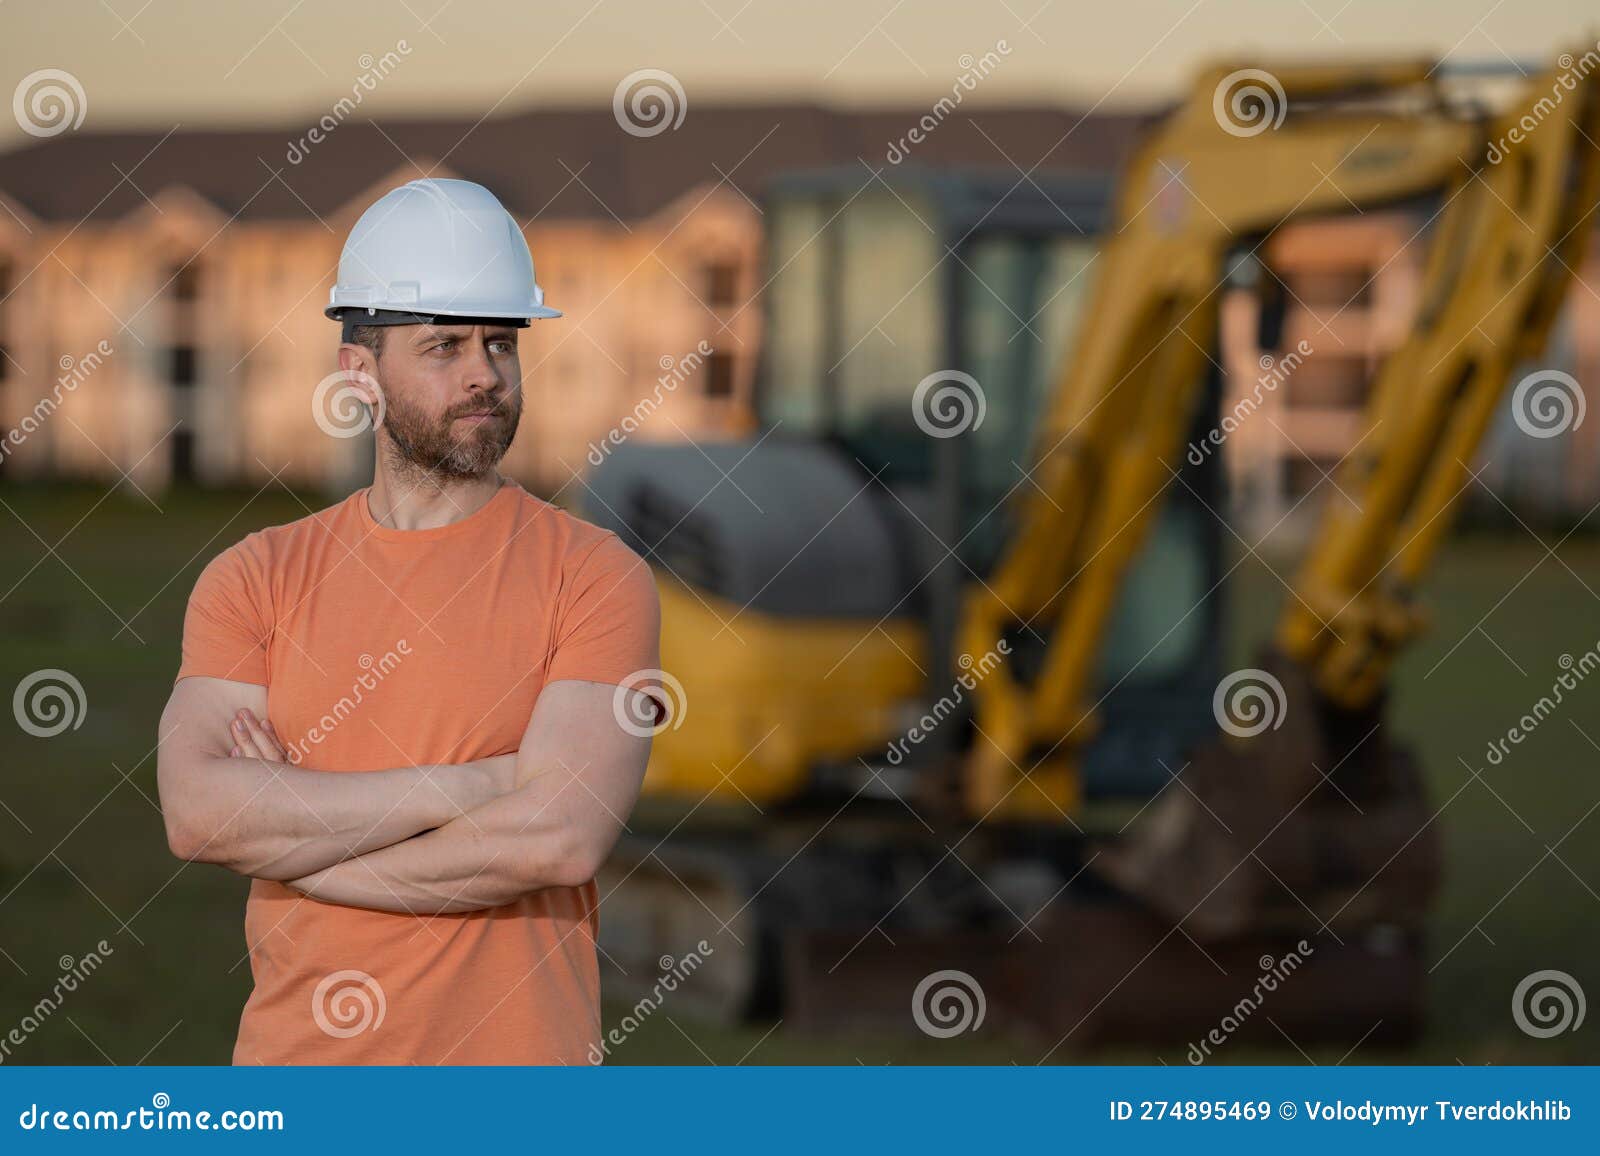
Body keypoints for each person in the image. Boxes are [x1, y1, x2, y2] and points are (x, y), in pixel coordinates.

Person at [155, 178, 662, 1065]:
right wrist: (474, 786)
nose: (484, 373)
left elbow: (556, 837)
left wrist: (305, 852)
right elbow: (199, 813)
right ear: (360, 375)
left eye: (501, 345)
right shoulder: (254, 579)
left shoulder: (596, 576)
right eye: (444, 346)